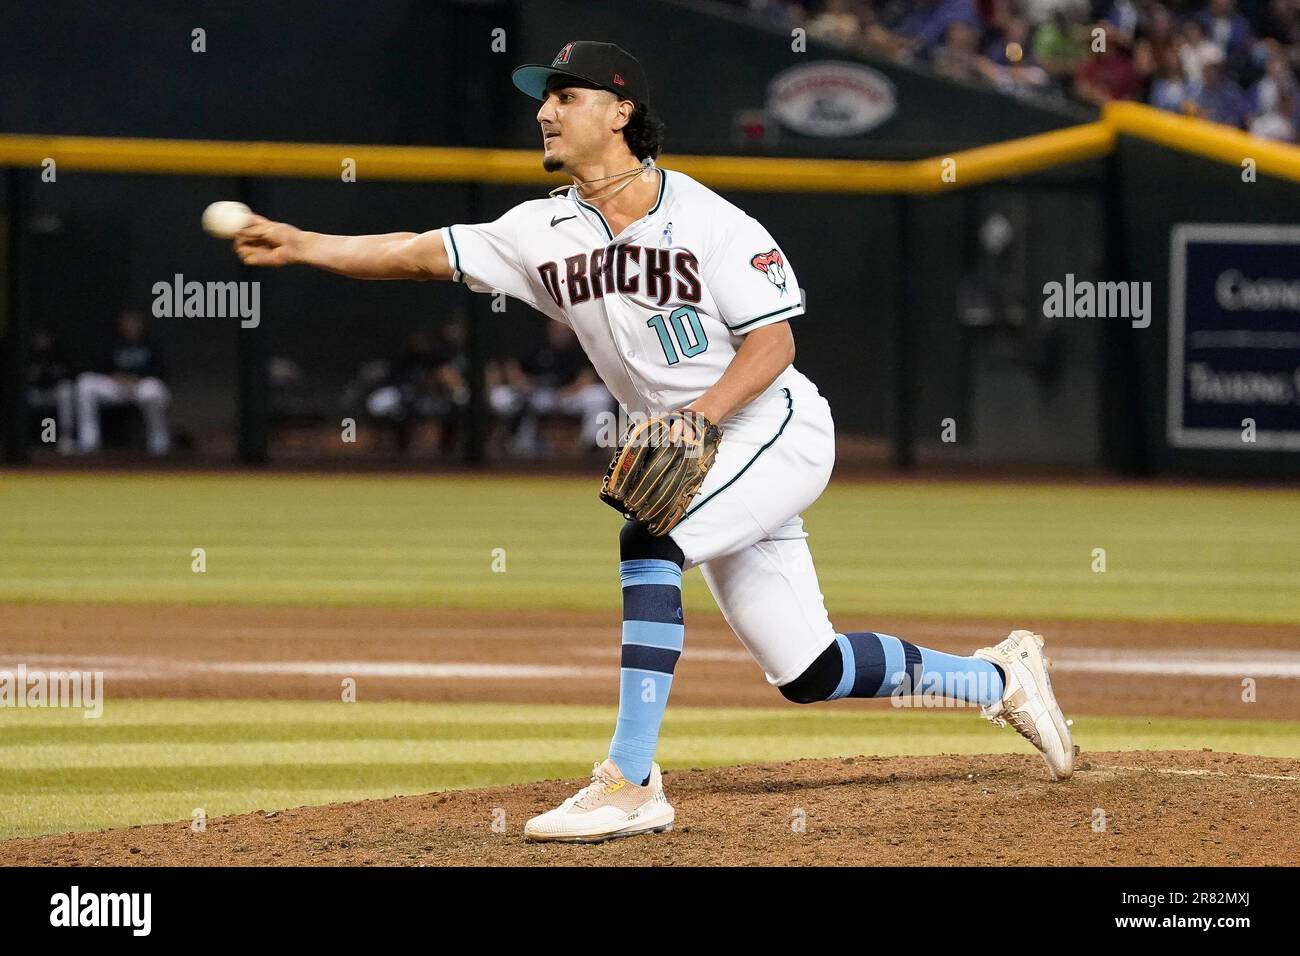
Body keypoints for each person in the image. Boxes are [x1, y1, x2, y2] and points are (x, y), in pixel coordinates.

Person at [232, 39, 1074, 844]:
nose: (545, 115)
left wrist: (702, 416)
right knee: (808, 671)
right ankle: (998, 677)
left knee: (649, 537)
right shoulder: (539, 231)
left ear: (620, 110)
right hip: (701, 453)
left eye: (565, 97)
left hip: (768, 428)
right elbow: (418, 254)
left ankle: (630, 783)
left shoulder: (708, 219)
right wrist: (304, 245)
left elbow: (774, 345)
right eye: (543, 101)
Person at [488, 320, 614, 456]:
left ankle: (589, 445)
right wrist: (522, 383)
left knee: (599, 395)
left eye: (564, 330)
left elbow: (586, 378)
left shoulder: (580, 349)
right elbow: (514, 368)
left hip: (567, 397)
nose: (560, 333)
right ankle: (516, 444)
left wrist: (567, 392)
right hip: (537, 395)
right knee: (500, 396)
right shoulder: (537, 346)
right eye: (557, 329)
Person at [76, 310, 170, 456]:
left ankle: (158, 443)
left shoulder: (151, 343)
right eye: (127, 323)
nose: (131, 326)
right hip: (115, 386)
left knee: (154, 390)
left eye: (134, 323)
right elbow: (99, 365)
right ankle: (89, 442)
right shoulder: (112, 342)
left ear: (141, 325)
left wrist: (136, 378)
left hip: (140, 386)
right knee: (85, 383)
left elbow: (160, 371)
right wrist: (115, 376)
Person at [364, 323, 470, 453]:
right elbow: (393, 382)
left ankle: (447, 448)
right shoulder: (404, 358)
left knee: (452, 411)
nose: (420, 343)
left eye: (423, 340)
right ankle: (394, 448)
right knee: (395, 410)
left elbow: (440, 382)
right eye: (417, 339)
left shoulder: (436, 359)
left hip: (430, 397)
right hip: (404, 396)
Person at [26, 329, 77, 454]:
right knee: (21, 395)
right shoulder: (29, 353)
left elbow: (68, 375)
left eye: (45, 338)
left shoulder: (58, 353)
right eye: (39, 338)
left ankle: (67, 437)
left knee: (65, 391)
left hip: (54, 392)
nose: (42, 341)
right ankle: (23, 439)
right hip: (36, 393)